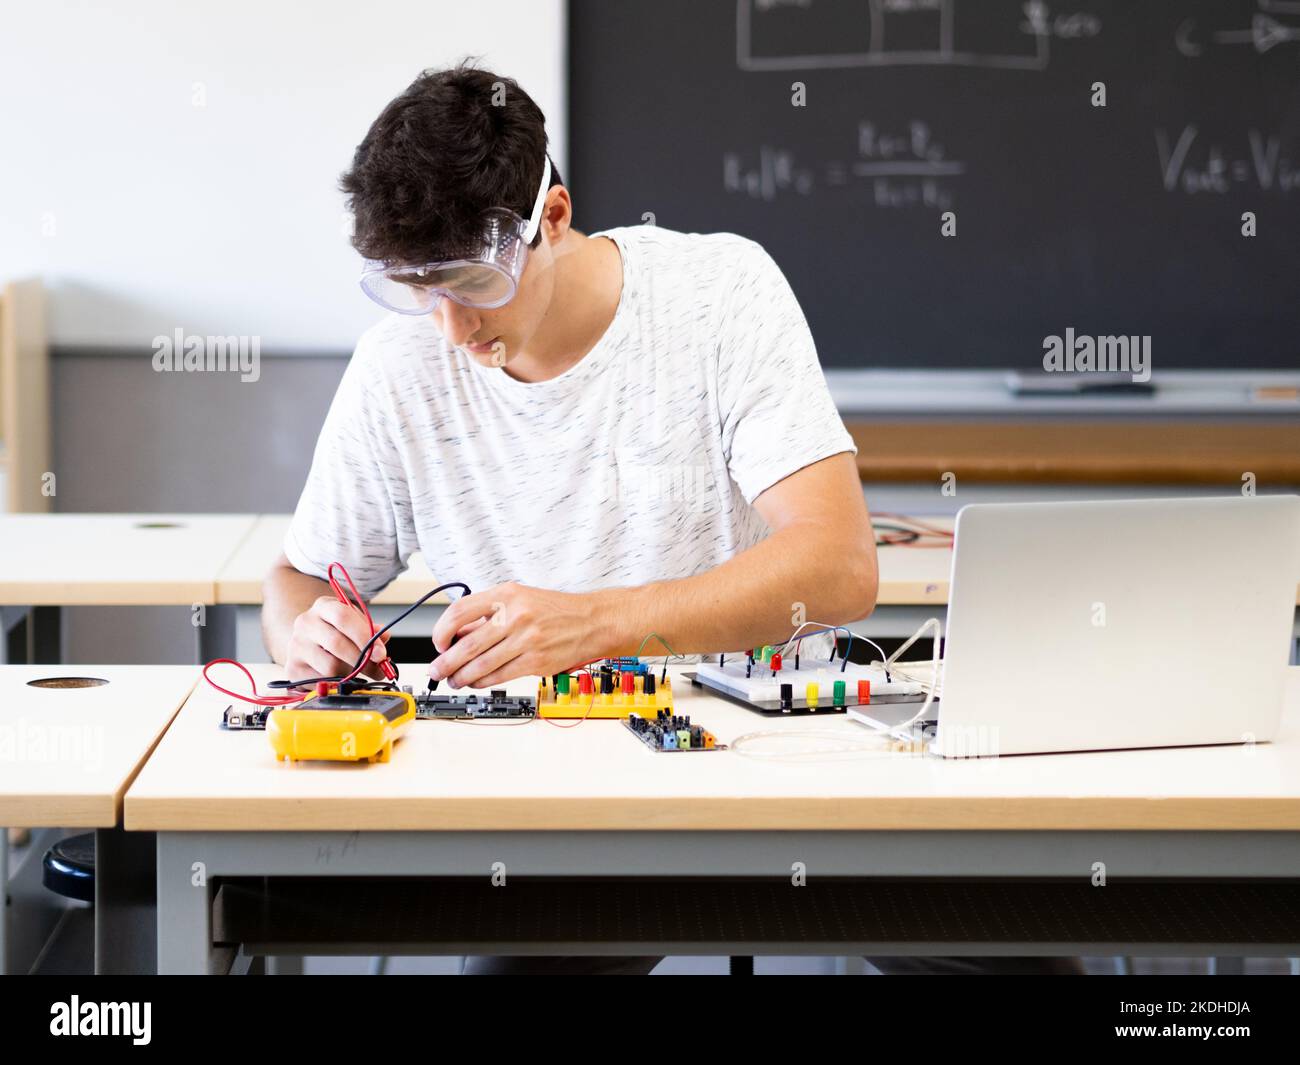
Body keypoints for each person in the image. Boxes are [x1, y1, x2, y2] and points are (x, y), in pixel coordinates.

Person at [262, 63, 1081, 978]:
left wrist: (596, 621)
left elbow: (841, 567)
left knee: (1025, 971)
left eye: (471, 282)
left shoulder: (720, 293)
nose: (452, 329)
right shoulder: (398, 368)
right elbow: (295, 580)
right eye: (418, 287)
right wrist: (309, 635)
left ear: (555, 220)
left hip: (783, 768)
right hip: (560, 795)